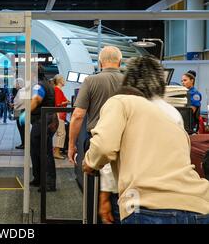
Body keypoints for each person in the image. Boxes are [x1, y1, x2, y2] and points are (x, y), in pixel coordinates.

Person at [83, 56, 209, 224]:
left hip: (148, 205)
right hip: (199, 205)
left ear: (127, 80)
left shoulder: (121, 101)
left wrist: (90, 162)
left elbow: (105, 147)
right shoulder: (172, 115)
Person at [68, 46, 124, 224]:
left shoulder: (91, 81)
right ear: (120, 62)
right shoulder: (130, 81)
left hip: (98, 142)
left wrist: (71, 145)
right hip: (125, 142)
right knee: (120, 188)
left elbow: (78, 115)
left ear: (100, 63)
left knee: (96, 188)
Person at [28, 65, 57, 192]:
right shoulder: (47, 84)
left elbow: (36, 100)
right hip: (46, 121)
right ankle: (38, 179)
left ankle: (48, 183)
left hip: (42, 122)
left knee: (44, 153)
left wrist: (24, 113)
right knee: (36, 152)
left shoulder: (39, 85)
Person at [52, 75, 70, 160]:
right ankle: (56, 152)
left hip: (57, 114)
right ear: (59, 81)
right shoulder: (57, 90)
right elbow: (58, 104)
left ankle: (55, 150)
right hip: (59, 114)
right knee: (61, 133)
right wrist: (66, 101)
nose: (64, 81)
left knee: (58, 133)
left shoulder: (56, 90)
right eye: (63, 79)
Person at [12, 78, 26, 150]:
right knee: (21, 128)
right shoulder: (21, 90)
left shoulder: (22, 91)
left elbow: (20, 102)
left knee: (22, 128)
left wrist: (13, 104)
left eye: (16, 84)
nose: (15, 85)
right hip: (20, 110)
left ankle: (24, 144)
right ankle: (23, 143)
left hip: (20, 111)